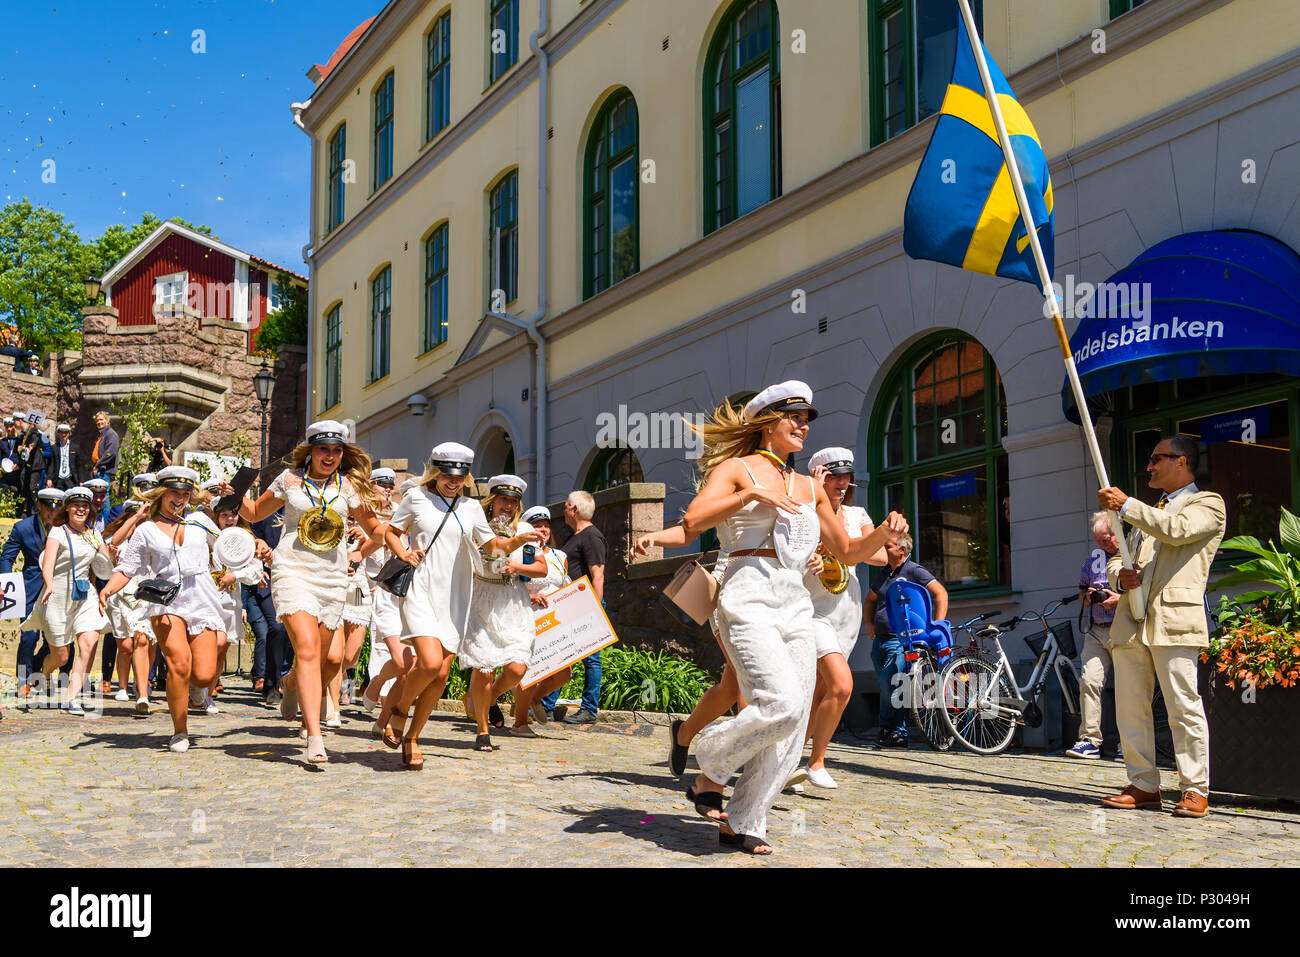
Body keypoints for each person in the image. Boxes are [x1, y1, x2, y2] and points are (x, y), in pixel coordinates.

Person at [679, 380, 907, 854]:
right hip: (746, 591)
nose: (803, 425)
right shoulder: (737, 468)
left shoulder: (809, 485)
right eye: (794, 417)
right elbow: (695, 519)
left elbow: (846, 551)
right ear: (767, 423)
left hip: (793, 602)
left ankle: (743, 821)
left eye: (807, 419)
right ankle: (710, 766)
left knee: (792, 723)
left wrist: (884, 531)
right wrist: (752, 496)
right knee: (779, 702)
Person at [382, 447, 544, 762]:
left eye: (459, 476)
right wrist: (404, 553)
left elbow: (494, 547)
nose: (453, 482)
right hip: (422, 587)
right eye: (446, 474)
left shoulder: (471, 508)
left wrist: (519, 542)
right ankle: (400, 710)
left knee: (440, 675)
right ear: (435, 472)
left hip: (456, 596)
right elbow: (392, 531)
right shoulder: (416, 498)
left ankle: (413, 738)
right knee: (429, 663)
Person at [239, 420, 385, 764]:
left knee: (322, 660)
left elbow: (377, 533)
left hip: (332, 576)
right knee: (306, 649)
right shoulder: (289, 480)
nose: (331, 456)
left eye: (337, 451)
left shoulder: (348, 487)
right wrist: (234, 497)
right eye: (324, 449)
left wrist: (358, 554)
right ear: (310, 450)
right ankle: (314, 734)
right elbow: (255, 511)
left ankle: (290, 684)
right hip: (293, 569)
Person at [1097, 434, 1224, 818]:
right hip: (1133, 621)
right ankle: (1143, 784)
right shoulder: (1149, 511)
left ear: (1182, 462)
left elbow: (1177, 530)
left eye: (1157, 458)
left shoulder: (1208, 504)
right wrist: (1122, 578)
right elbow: (1120, 558)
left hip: (1173, 620)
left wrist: (1127, 505)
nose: (1149, 466)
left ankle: (1195, 788)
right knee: (1130, 709)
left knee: (1182, 706)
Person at [101, 466, 228, 752]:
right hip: (166, 599)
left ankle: (197, 692)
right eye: (174, 493)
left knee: (205, 675)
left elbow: (228, 545)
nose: (180, 499)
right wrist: (108, 589)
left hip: (201, 596)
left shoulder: (198, 521)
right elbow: (129, 567)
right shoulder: (146, 529)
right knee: (179, 663)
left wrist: (254, 544)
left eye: (185, 494)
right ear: (161, 493)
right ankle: (179, 731)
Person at [795, 447, 887, 789]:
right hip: (812, 610)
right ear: (818, 477)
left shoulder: (855, 514)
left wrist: (847, 544)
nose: (842, 483)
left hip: (844, 616)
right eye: (833, 476)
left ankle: (791, 762)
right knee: (839, 685)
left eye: (846, 477)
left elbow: (877, 555)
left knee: (819, 694)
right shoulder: (805, 513)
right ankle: (816, 761)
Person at [459, 475, 550, 744]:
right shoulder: (478, 526)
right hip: (483, 596)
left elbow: (541, 568)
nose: (508, 506)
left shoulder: (524, 529)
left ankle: (484, 700)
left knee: (517, 668)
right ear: (493, 500)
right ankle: (483, 732)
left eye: (513, 501)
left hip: (513, 600)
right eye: (503, 500)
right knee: (484, 668)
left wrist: (516, 567)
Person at [23, 487, 112, 715]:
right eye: (76, 505)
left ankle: (72, 698)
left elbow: (105, 560)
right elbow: (48, 564)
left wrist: (114, 552)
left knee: (89, 643)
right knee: (61, 657)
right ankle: (42, 672)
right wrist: (49, 584)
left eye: (85, 505)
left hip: (84, 594)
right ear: (68, 508)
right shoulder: (58, 532)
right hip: (57, 595)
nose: (81, 509)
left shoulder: (93, 532)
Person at [862, 531, 948, 748]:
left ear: (902, 550)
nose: (883, 550)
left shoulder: (913, 570)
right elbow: (870, 599)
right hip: (879, 640)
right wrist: (869, 625)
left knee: (890, 683)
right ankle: (896, 734)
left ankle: (889, 730)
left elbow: (940, 594)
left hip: (900, 641)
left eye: (888, 546)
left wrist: (934, 625)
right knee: (890, 687)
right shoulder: (883, 573)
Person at [537, 490, 607, 724]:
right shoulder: (576, 535)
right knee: (562, 655)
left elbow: (598, 575)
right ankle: (546, 706)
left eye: (566, 505)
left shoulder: (591, 536)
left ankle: (589, 710)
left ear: (574, 509)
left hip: (587, 603)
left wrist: (594, 609)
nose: (563, 510)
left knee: (590, 659)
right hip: (574, 603)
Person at [1066, 511, 1122, 760]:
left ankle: (1128, 745)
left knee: (1128, 688)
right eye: (1099, 540)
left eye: (1107, 538)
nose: (1104, 544)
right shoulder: (1092, 560)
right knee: (1089, 682)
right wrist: (1088, 598)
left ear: (1118, 530)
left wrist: (1118, 599)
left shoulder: (1132, 554)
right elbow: (1081, 597)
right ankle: (1089, 740)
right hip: (1096, 631)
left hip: (1124, 629)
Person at [2, 487, 65, 698]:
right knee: (29, 637)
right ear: (39, 506)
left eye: (55, 509)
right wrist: (4, 582)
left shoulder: (66, 527)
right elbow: (7, 557)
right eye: (48, 508)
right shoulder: (22, 528)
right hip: (30, 588)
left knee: (55, 639)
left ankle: (37, 669)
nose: (52, 513)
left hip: (57, 589)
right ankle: (23, 681)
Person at [514, 504, 570, 723]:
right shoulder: (522, 554)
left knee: (563, 673)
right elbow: (510, 586)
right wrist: (531, 597)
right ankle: (519, 719)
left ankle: (534, 700)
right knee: (530, 671)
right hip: (530, 617)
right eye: (538, 526)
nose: (543, 530)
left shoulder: (560, 555)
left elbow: (567, 584)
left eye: (546, 525)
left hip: (557, 620)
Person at [101, 502, 155, 714]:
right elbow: (112, 543)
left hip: (146, 596)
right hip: (121, 596)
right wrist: (135, 518)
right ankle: (123, 686)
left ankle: (142, 687)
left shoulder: (153, 534)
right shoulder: (122, 539)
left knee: (145, 641)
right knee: (125, 646)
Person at [49, 424, 83, 490]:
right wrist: (49, 478)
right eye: (61, 432)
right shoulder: (54, 448)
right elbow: (51, 464)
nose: (63, 435)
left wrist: (81, 480)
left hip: (71, 479)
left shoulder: (75, 447)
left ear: (69, 434)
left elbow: (79, 465)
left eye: (66, 433)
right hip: (58, 479)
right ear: (58, 434)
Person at [90, 410, 119, 481]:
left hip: (104, 471)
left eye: (101, 420)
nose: (99, 422)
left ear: (107, 421)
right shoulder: (102, 435)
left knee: (103, 492)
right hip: (99, 470)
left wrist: (98, 464)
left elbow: (110, 453)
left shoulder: (111, 434)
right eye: (97, 420)